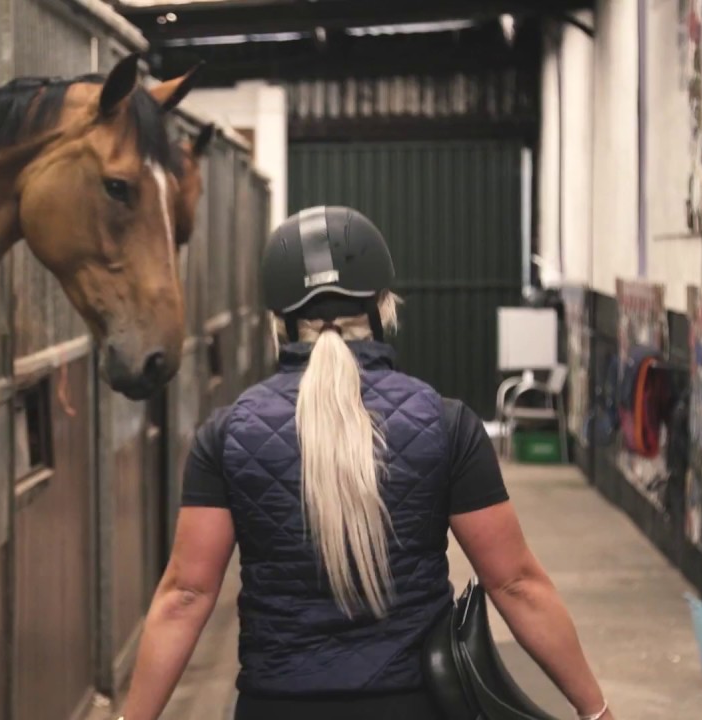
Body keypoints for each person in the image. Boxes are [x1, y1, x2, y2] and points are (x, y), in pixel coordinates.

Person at [119, 206, 612, 720]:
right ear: (383, 307)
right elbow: (515, 584)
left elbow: (187, 594)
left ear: (278, 323)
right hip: (413, 702)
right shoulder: (446, 424)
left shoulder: (227, 435)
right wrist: (594, 710)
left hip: (277, 705)